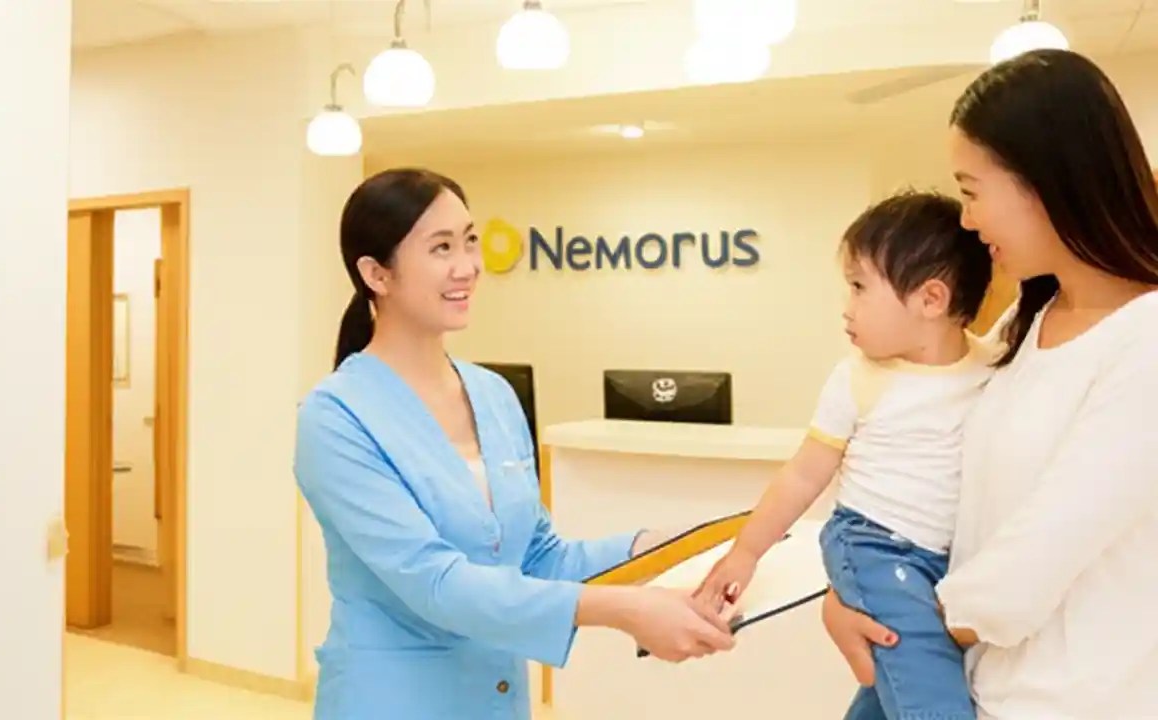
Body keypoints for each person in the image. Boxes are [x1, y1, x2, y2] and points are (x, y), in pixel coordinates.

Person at [292, 168, 736, 720]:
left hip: (495, 699)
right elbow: (437, 582)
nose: (468, 266)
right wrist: (623, 609)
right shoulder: (335, 417)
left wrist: (655, 547)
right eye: (441, 247)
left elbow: (537, 556)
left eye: (470, 240)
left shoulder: (493, 395)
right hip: (391, 701)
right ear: (376, 273)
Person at [821, 49, 1158, 719]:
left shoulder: (1145, 341)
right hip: (976, 688)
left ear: (1043, 180)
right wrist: (857, 585)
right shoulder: (1022, 322)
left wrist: (887, 608)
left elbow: (1026, 570)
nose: (967, 221)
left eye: (972, 191)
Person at [694, 190, 993, 720]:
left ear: (931, 300)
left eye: (859, 287)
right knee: (932, 696)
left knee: (889, 689)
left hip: (942, 562)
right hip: (874, 547)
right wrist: (745, 552)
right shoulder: (856, 378)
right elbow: (804, 474)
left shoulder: (990, 363)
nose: (846, 307)